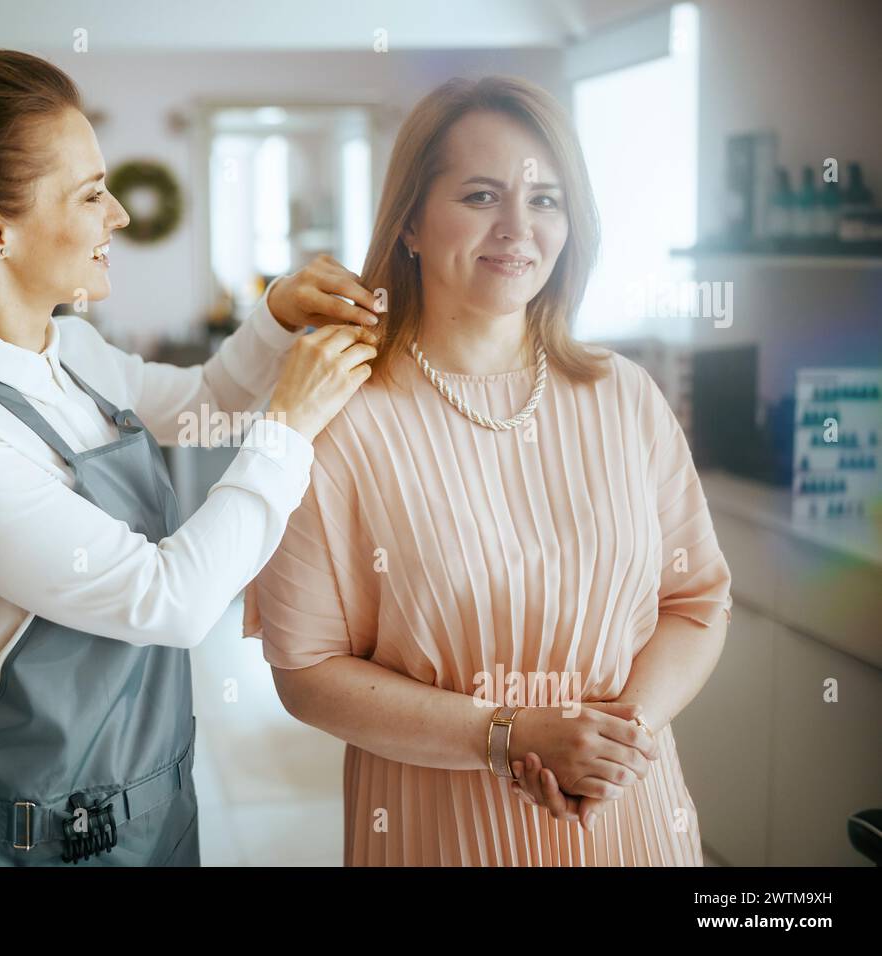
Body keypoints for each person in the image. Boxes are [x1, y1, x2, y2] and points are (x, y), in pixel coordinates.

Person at [0, 39, 379, 866]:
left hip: (154, 794)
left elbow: (203, 405)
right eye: (90, 194)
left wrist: (278, 316)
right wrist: (288, 425)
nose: (117, 215)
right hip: (35, 837)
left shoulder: (69, 349)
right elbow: (170, 600)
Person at [246, 75, 733, 866]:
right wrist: (505, 737)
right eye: (480, 196)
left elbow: (696, 599)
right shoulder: (334, 414)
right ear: (408, 220)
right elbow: (304, 671)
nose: (518, 227)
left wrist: (615, 740)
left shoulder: (623, 394)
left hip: (629, 817)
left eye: (546, 200)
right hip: (438, 828)